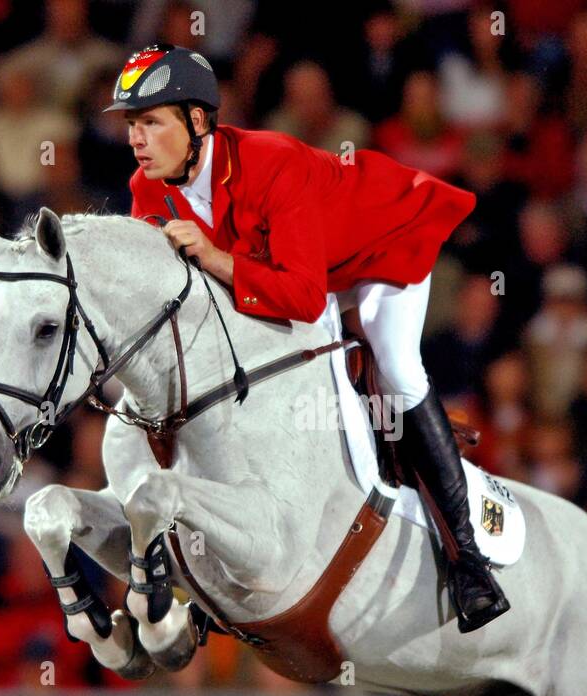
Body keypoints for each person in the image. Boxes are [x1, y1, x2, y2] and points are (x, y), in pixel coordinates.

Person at [105, 43, 509, 632]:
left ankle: (469, 563)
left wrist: (215, 256)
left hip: (376, 245)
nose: (136, 139)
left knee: (395, 363)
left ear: (196, 121)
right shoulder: (148, 189)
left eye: (150, 122)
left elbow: (300, 298)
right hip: (291, 271)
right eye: (130, 125)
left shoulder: (272, 162)